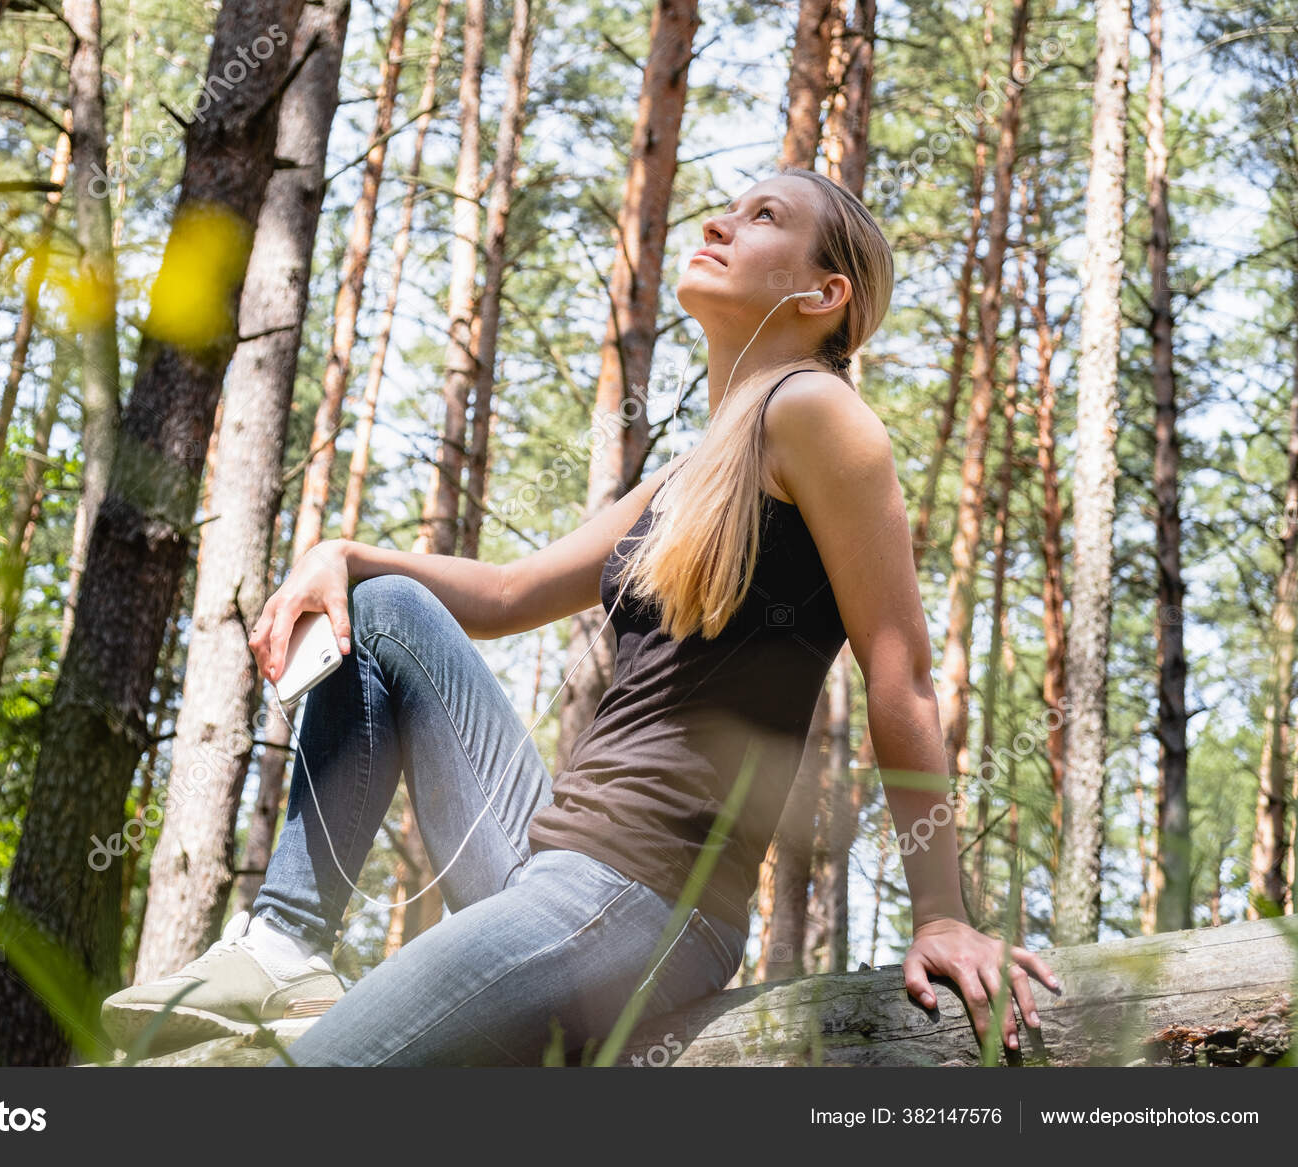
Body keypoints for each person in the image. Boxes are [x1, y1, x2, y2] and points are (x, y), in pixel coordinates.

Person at [100, 166, 1060, 1066]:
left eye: (766, 217)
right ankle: (282, 943)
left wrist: (941, 913)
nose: (720, 221)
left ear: (824, 297)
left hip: (643, 895)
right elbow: (510, 593)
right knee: (385, 608)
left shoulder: (819, 413)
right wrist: (340, 554)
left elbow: (903, 677)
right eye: (730, 206)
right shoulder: (690, 473)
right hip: (544, 860)